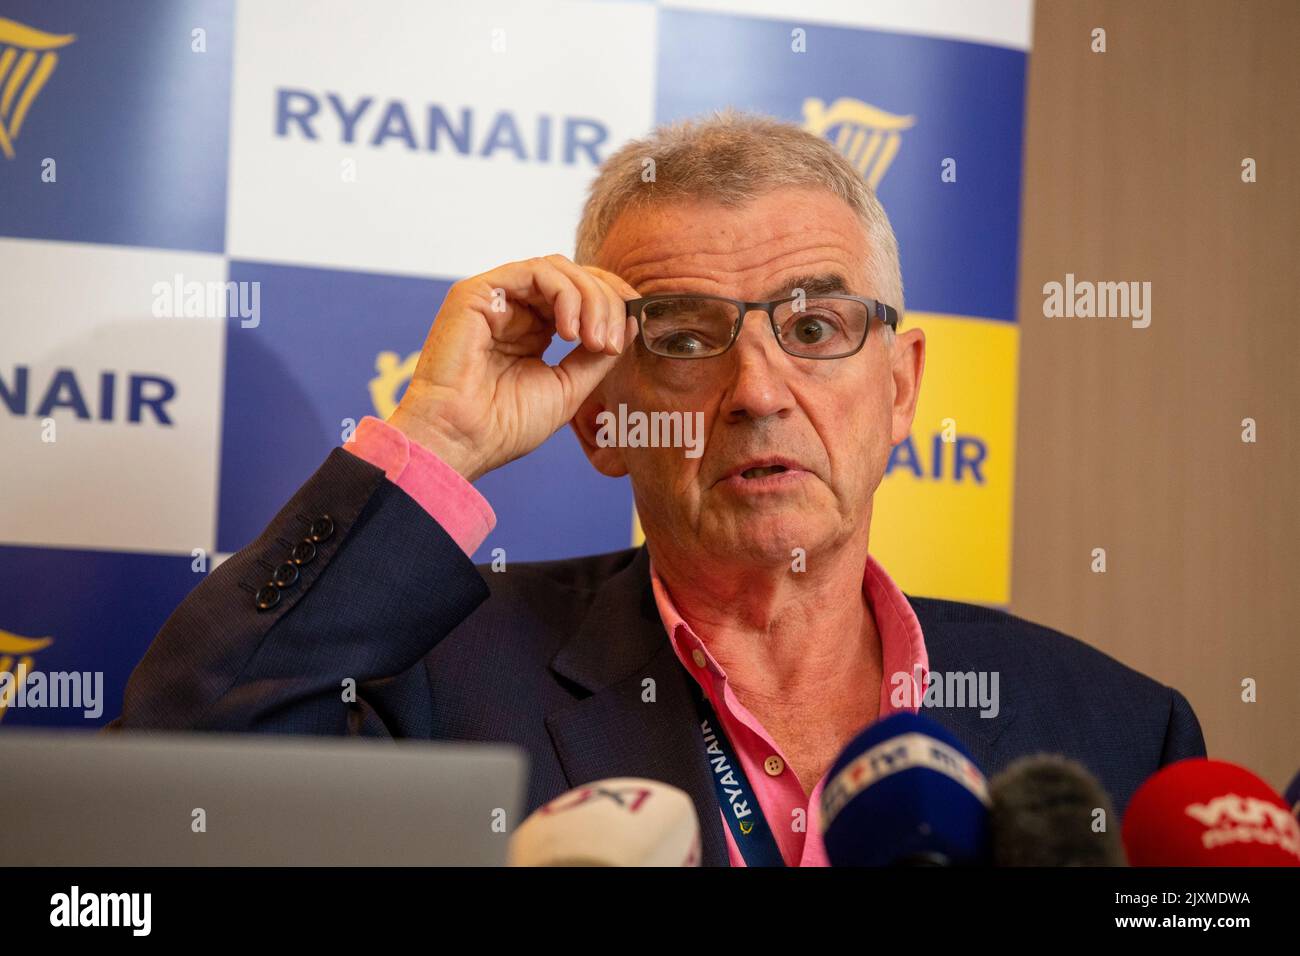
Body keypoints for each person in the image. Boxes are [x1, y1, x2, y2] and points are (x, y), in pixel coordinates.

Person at [107, 111, 1204, 867]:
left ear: (901, 385)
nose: (756, 391)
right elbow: (159, 808)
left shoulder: (1121, 728)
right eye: (682, 338)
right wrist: (437, 431)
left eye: (814, 327)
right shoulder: (432, 687)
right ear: (599, 416)